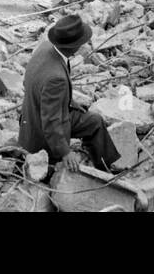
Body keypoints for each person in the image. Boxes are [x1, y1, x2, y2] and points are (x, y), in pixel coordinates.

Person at [20, 14, 121, 172]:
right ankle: (98, 169)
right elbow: (51, 123)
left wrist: (69, 104)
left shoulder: (46, 47)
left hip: (32, 119)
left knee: (94, 121)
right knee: (90, 125)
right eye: (81, 42)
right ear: (73, 47)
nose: (83, 44)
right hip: (41, 137)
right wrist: (65, 152)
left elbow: (28, 84)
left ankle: (104, 165)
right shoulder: (56, 78)